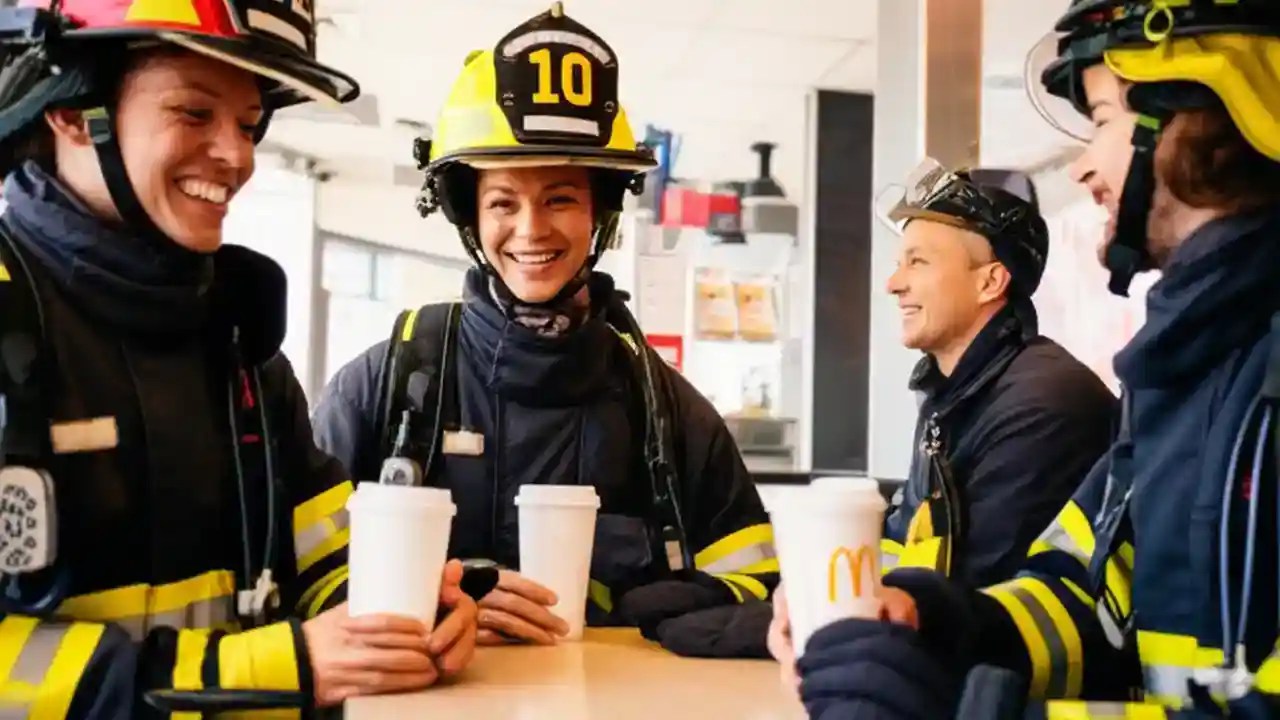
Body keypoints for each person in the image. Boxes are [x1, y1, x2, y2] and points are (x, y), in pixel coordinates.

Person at [787, 0, 1280, 718]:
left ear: (1216, 108)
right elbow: (1083, 592)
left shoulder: (1214, 369)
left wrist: (984, 712)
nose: (1083, 166)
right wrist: (930, 628)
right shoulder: (1182, 372)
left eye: (1104, 119)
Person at [0, 1, 480, 716]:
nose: (239, 155)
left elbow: (325, 551)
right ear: (71, 111)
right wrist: (266, 667)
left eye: (250, 124)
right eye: (194, 113)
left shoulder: (236, 332)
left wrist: (398, 612)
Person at [312, 3, 779, 655]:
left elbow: (761, 575)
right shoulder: (388, 384)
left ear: (600, 214)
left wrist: (700, 599)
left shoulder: (663, 406)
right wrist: (442, 591)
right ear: (470, 216)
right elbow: (300, 576)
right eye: (504, 201)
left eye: (560, 198)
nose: (531, 230)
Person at [766, 161, 1116, 689]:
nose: (893, 283)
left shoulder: (1042, 403)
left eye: (918, 261)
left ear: (991, 280)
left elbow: (976, 590)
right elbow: (909, 545)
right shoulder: (956, 394)